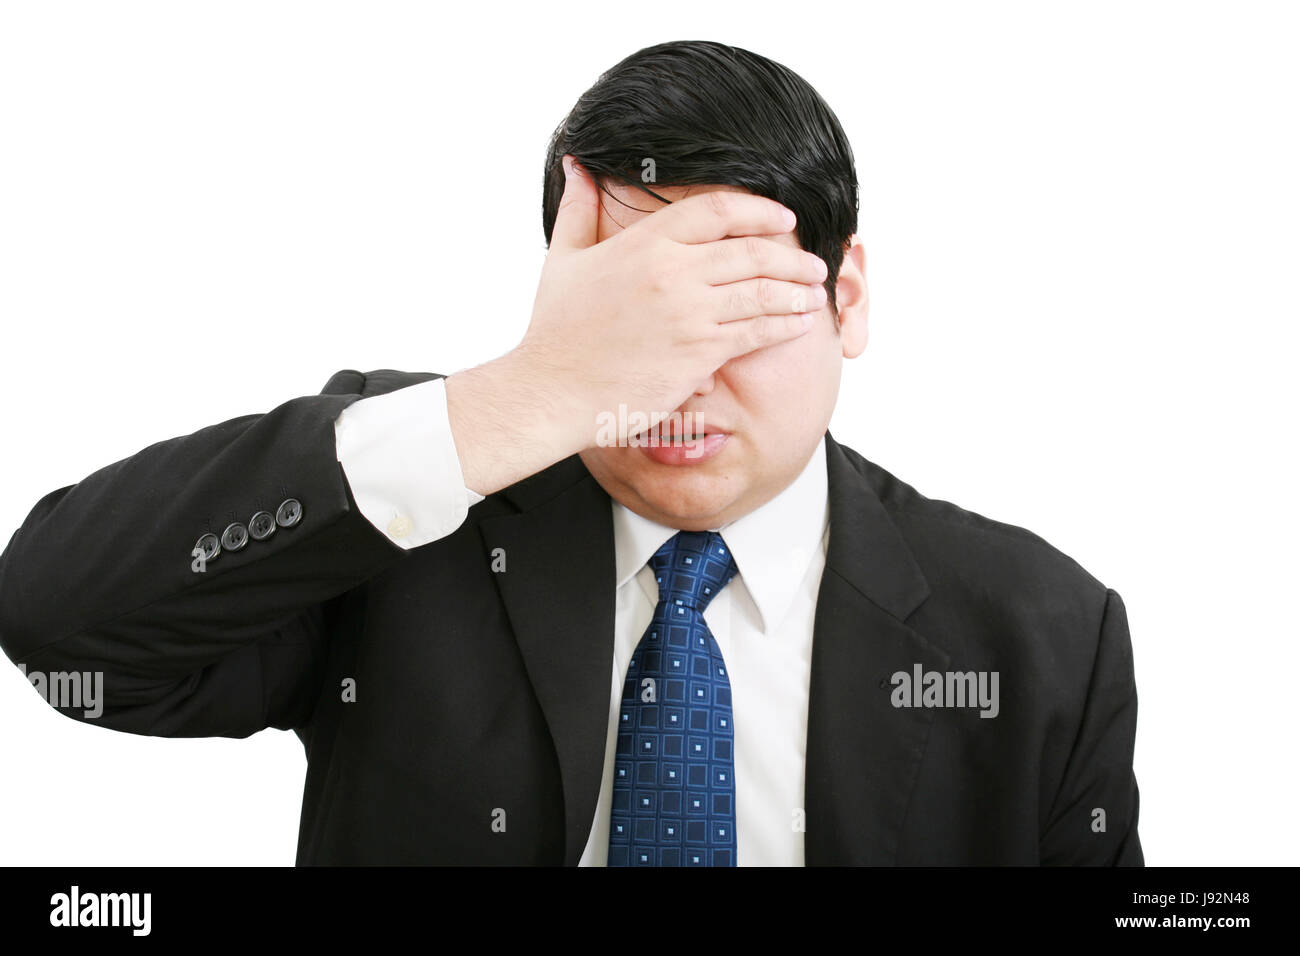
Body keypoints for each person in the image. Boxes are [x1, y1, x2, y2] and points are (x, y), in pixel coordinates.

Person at [0, 40, 1142, 866]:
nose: (675, 378)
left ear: (844, 298)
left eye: (731, 303)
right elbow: (58, 624)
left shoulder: (1042, 633)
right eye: (636, 314)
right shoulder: (413, 524)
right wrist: (533, 393)